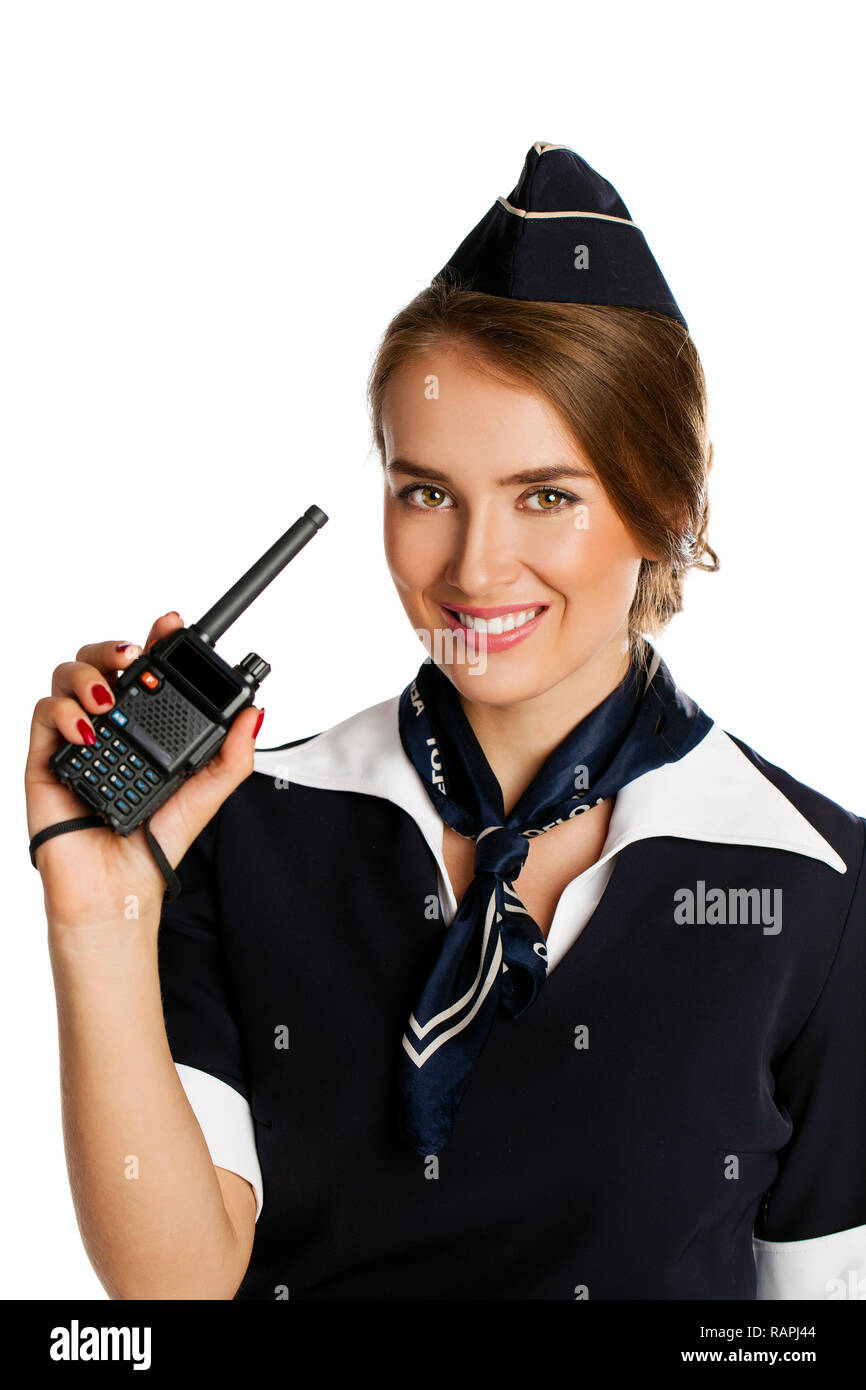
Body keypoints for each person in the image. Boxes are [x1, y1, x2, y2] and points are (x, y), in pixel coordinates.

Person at [26, 142, 866, 1300]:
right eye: (426, 491)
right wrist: (101, 921)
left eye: (546, 495)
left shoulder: (819, 885)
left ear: (664, 505)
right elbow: (174, 1295)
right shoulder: (241, 830)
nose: (473, 568)